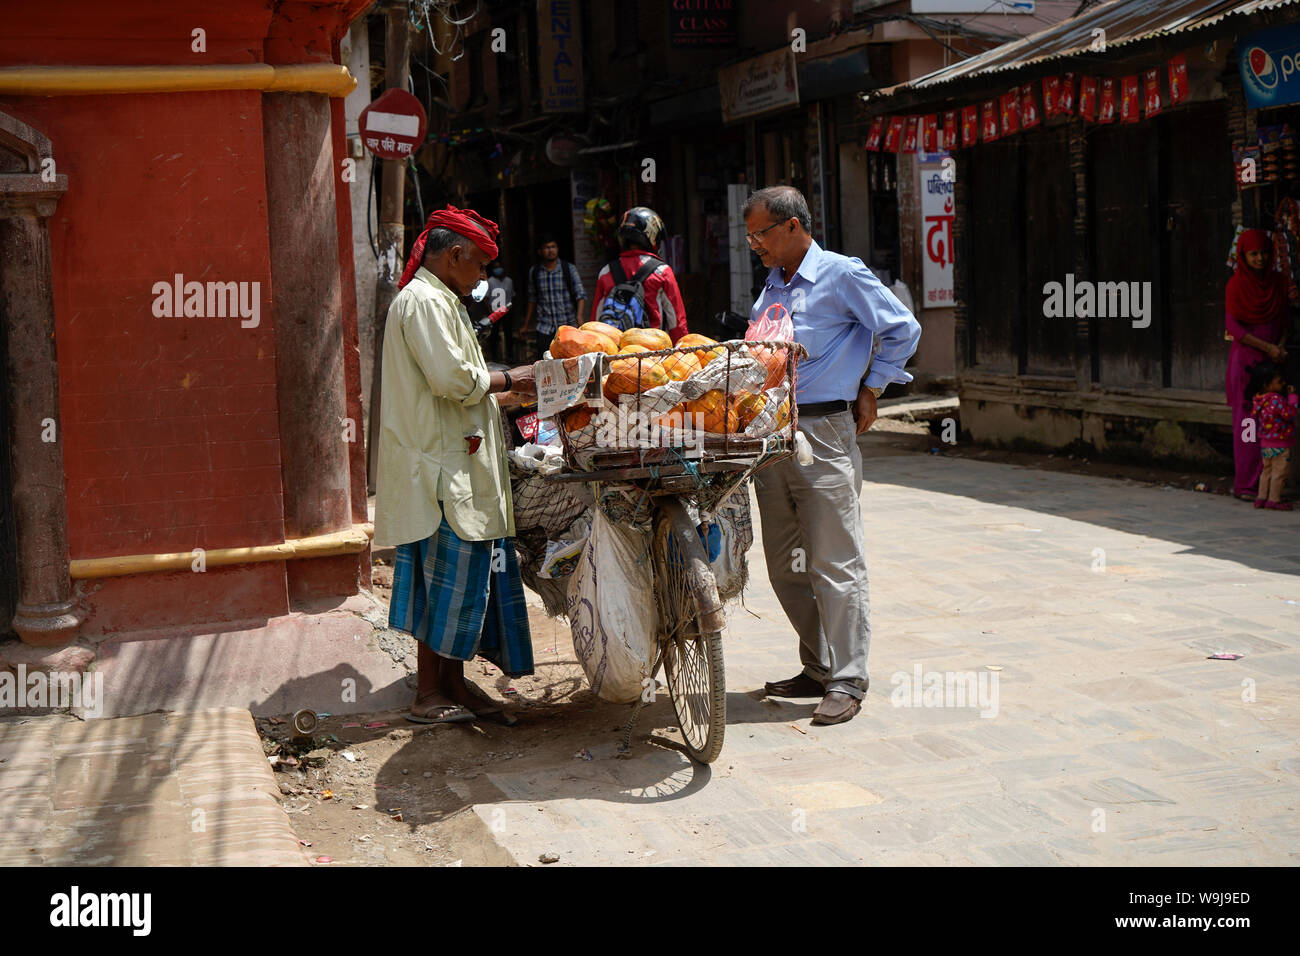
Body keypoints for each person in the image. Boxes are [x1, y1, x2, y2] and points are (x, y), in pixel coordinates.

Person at [744, 186, 920, 726]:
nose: (755, 245)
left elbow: (902, 328)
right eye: (750, 236)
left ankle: (848, 678)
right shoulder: (772, 285)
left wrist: (874, 385)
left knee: (835, 560)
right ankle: (816, 664)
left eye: (761, 234)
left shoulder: (842, 273)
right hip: (773, 436)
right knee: (785, 563)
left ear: (793, 227)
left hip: (823, 432)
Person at [373, 205, 538, 725]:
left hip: (452, 465)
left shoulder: (441, 300)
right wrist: (513, 379)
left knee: (458, 587)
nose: (482, 278)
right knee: (440, 587)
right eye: (481, 266)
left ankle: (453, 686)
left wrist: (508, 391)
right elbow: (453, 379)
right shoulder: (423, 302)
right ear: (455, 254)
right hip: (439, 472)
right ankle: (428, 694)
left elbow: (461, 381)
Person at [1226, 229, 1291, 501]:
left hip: (1274, 362)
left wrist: (1281, 347)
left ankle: (1270, 485)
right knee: (1249, 424)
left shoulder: (1278, 282)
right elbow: (1233, 327)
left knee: (1273, 422)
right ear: (1243, 255)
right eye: (1254, 254)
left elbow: (1285, 318)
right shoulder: (1236, 286)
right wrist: (1268, 348)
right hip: (1248, 365)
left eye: (1264, 252)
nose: (1260, 258)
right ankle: (1247, 485)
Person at [589, 206, 689, 341]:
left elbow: (595, 323)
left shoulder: (606, 271)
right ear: (652, 235)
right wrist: (682, 351)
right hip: (652, 351)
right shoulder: (662, 271)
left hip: (617, 353)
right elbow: (677, 322)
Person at [521, 234, 586, 359]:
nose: (550, 250)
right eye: (547, 247)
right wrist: (526, 324)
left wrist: (580, 316)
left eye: (553, 247)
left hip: (568, 325)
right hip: (545, 328)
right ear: (540, 251)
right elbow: (532, 299)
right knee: (546, 364)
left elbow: (580, 294)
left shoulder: (569, 269)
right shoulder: (535, 272)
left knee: (570, 364)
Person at [1246, 359, 1297, 510]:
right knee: (1279, 473)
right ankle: (1274, 499)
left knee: (1266, 471)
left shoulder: (1258, 400)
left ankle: (1261, 497)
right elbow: (1290, 414)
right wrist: (1293, 398)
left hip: (1265, 443)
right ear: (1267, 385)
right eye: (1279, 381)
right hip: (1280, 443)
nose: (1282, 384)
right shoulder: (1276, 400)